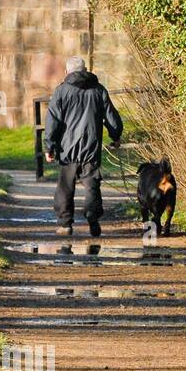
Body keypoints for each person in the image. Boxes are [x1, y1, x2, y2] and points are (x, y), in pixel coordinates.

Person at [43, 56, 123, 237]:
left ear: (67, 72)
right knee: (92, 185)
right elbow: (111, 116)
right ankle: (92, 216)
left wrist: (50, 147)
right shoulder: (99, 90)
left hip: (67, 148)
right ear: (85, 70)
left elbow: (52, 120)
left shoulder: (62, 91)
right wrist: (115, 135)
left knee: (65, 187)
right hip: (91, 147)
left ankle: (65, 224)